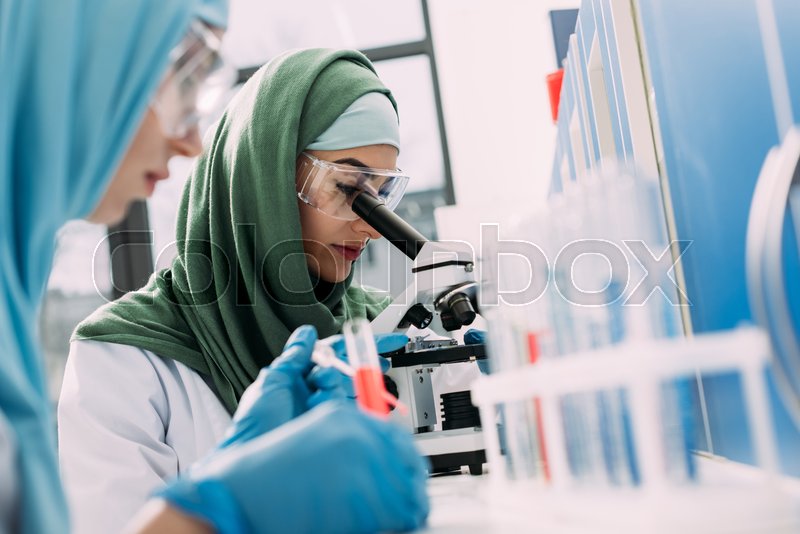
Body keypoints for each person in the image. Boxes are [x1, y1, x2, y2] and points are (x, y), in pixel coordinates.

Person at [1, 0, 428, 532]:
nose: (371, 224)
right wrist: (231, 504)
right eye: (348, 190)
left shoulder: (382, 335)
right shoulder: (127, 355)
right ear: (262, 184)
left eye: (383, 197)